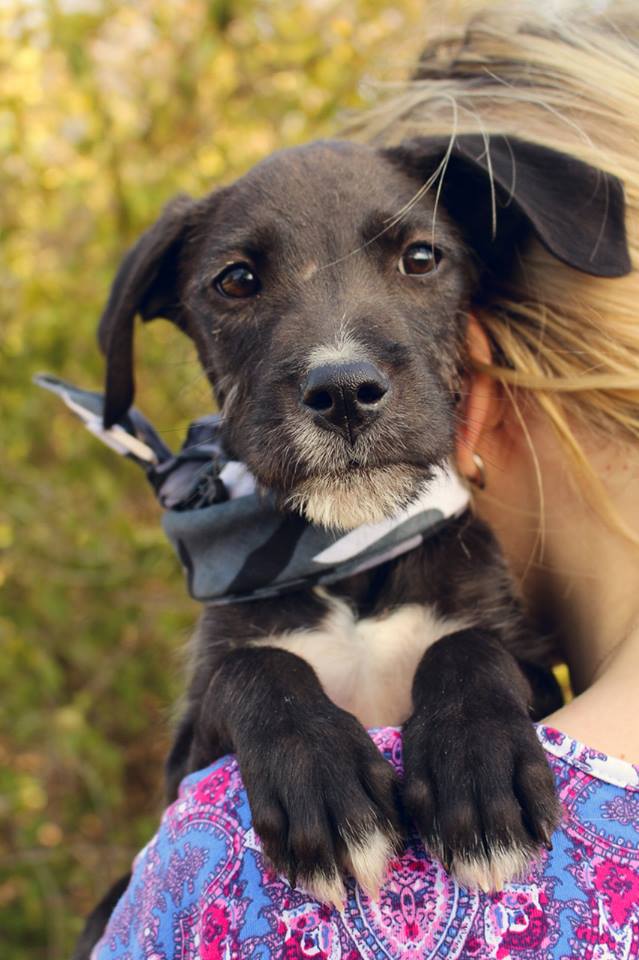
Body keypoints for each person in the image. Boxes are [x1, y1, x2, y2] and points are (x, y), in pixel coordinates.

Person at [94, 3, 639, 957]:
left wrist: (472, 675)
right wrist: (256, 689)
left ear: (479, 363)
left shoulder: (213, 872)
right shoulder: (252, 616)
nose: (337, 367)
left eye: (419, 259)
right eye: (239, 284)